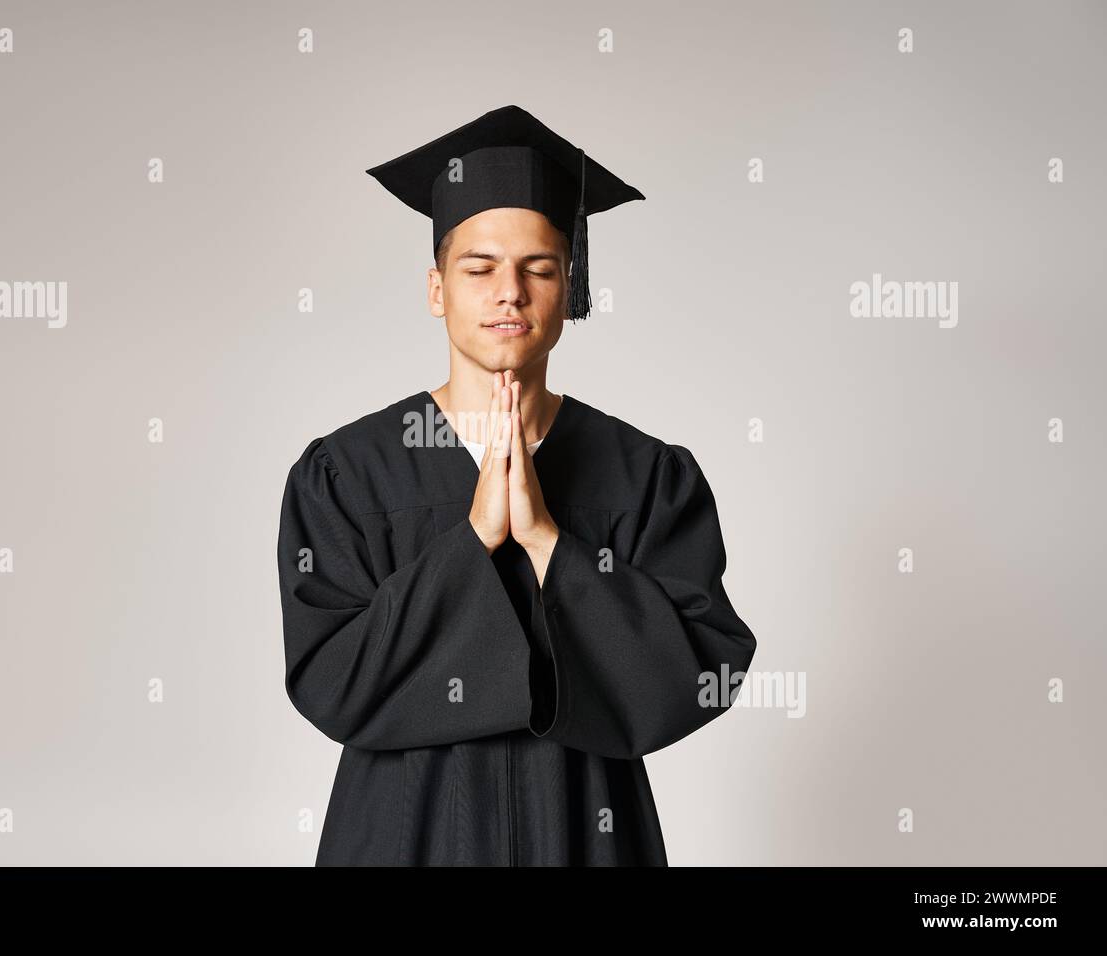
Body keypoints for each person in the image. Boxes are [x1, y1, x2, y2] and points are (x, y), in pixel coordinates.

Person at [277, 105, 757, 865]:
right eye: (480, 268)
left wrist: (547, 544)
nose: (511, 292)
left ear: (567, 287)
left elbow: (700, 675)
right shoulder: (348, 472)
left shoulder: (645, 475)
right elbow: (330, 681)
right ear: (437, 288)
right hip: (406, 838)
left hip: (587, 835)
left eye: (539, 269)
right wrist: (471, 543)